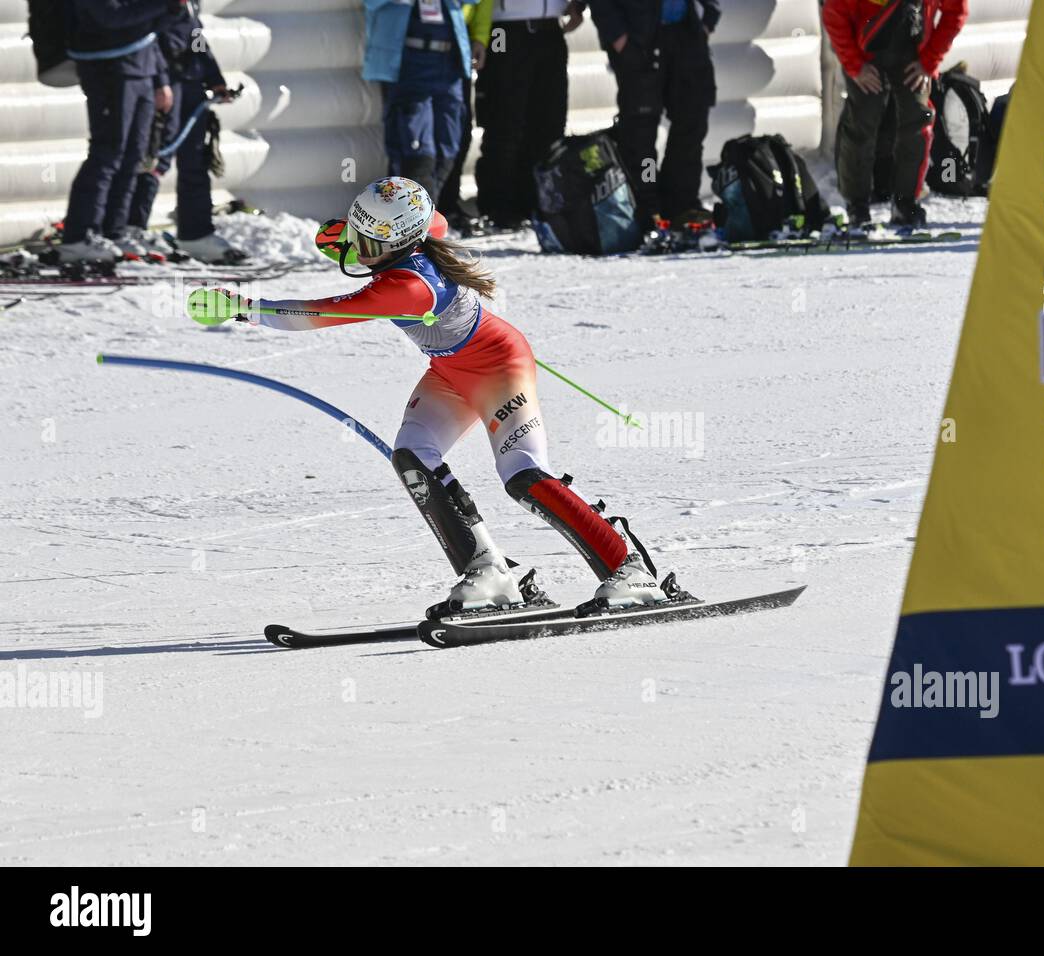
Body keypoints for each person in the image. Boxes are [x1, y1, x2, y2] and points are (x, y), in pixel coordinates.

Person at [194, 177, 669, 613]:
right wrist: (351, 237)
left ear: (398, 244)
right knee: (412, 457)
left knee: (522, 475)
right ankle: (488, 573)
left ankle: (630, 569)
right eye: (360, 234)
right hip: (450, 370)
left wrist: (244, 309)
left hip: (500, 369)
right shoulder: (414, 232)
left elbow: (323, 313)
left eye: (368, 243)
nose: (358, 248)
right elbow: (406, 223)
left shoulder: (411, 287)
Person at [823, 0, 968, 229]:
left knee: (918, 120)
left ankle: (905, 204)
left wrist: (929, 61)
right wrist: (855, 66)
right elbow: (834, 16)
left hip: (913, 53)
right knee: (862, 122)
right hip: (865, 54)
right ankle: (857, 207)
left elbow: (957, 12)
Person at [123, 0, 244, 263]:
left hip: (190, 83)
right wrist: (160, 82)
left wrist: (215, 79)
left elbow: (195, 35)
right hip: (162, 83)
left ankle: (195, 233)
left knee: (196, 159)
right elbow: (146, 36)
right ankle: (131, 228)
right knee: (155, 159)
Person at [58, 0, 176, 264]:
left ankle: (114, 231)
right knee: (107, 153)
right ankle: (79, 236)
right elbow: (111, 16)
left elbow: (151, 31)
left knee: (133, 157)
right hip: (108, 68)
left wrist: (160, 79)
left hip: (142, 69)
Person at [586, 0, 721, 229]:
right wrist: (619, 38)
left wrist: (708, 21)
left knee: (692, 121)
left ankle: (682, 204)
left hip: (685, 35)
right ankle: (649, 205)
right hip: (639, 38)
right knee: (641, 135)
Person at [474, 1, 585, 230]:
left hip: (551, 28)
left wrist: (578, 4)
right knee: (504, 122)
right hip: (503, 29)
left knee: (550, 124)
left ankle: (537, 204)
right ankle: (497, 207)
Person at [363, 0, 480, 206]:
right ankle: (416, 226)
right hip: (407, 60)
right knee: (415, 150)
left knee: (448, 146)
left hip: (449, 62)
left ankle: (424, 219)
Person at [437, 2, 493, 235]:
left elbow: (482, 3)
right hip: (414, 51)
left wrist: (480, 37)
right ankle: (421, 211)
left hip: (457, 47)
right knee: (417, 137)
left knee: (459, 132)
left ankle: (448, 206)